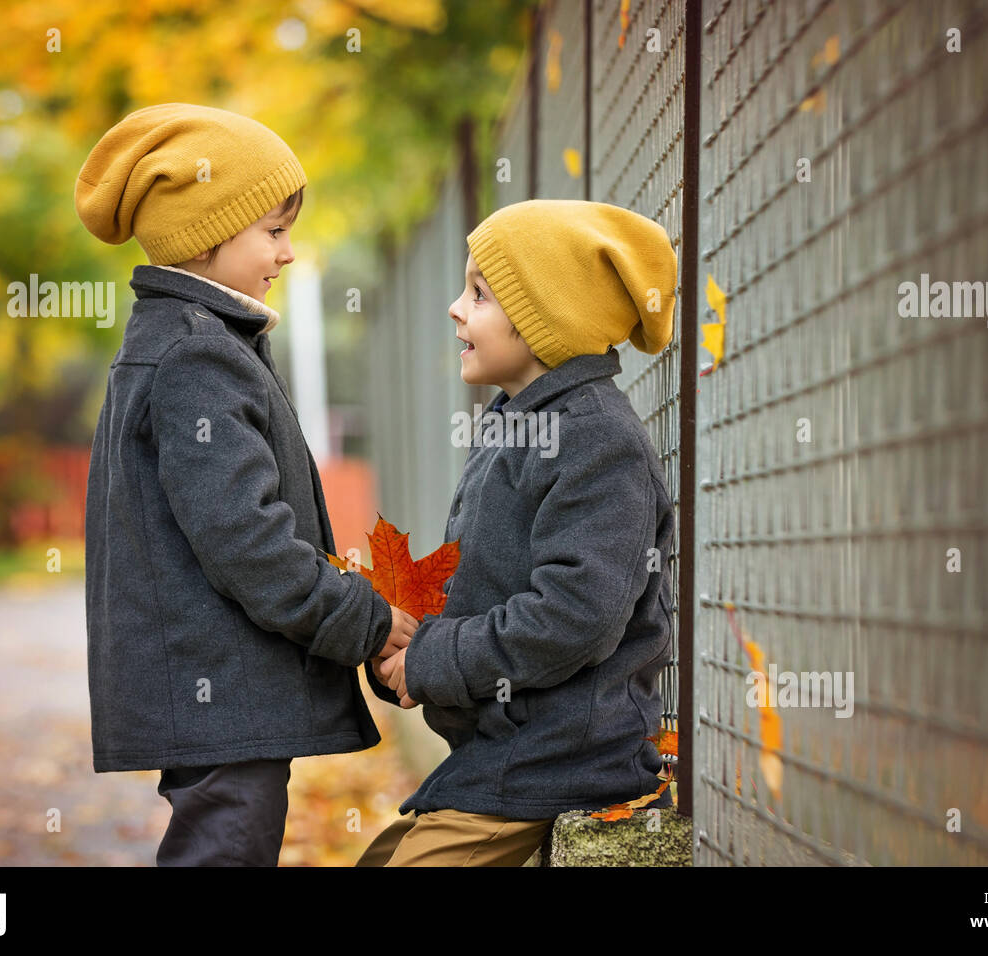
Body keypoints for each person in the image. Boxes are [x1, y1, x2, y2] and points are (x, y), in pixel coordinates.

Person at [74, 102, 418, 866]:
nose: (288, 253)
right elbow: (248, 541)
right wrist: (357, 619)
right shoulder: (198, 356)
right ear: (204, 234)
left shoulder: (192, 341)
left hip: (218, 684)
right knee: (224, 850)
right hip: (218, 686)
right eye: (273, 230)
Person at [359, 199, 678, 866]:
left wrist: (435, 661)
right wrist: (409, 646)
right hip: (505, 755)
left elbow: (573, 617)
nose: (455, 307)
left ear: (546, 318)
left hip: (561, 759)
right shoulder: (520, 420)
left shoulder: (595, 438)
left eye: (479, 293)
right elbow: (486, 580)